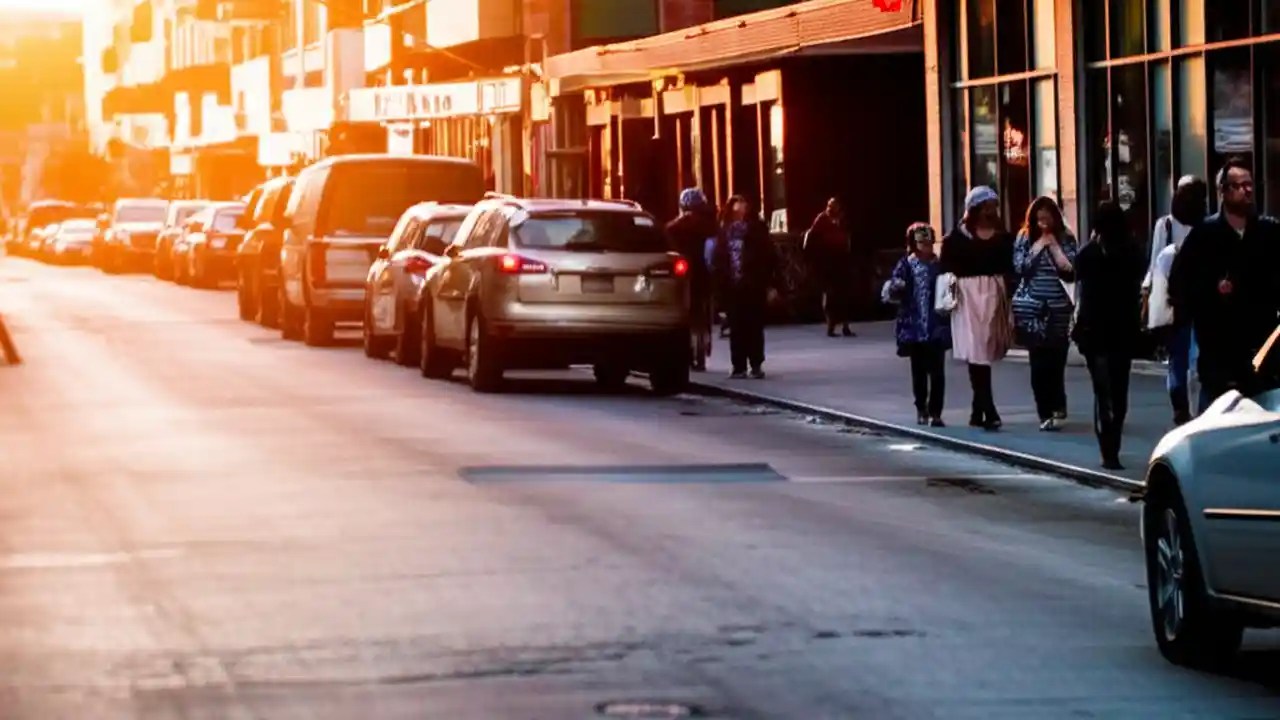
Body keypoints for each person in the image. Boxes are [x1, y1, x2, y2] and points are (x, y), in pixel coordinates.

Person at [1169, 157, 1280, 412]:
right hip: (1218, 355)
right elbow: (1180, 285)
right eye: (1238, 185)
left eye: (1250, 185)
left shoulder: (1268, 232)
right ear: (1223, 192)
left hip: (1263, 353)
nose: (1246, 191)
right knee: (1216, 425)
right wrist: (1209, 296)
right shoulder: (1204, 236)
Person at [1072, 202, 1145, 470]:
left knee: (1103, 391)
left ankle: (1108, 448)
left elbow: (1076, 272)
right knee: (1119, 387)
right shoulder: (1132, 252)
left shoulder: (1090, 254)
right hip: (1122, 329)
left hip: (1095, 329)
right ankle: (1113, 442)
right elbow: (1139, 273)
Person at [941, 186, 1015, 431]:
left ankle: (977, 408)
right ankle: (989, 408)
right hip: (967, 295)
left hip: (993, 293)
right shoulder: (957, 237)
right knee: (976, 350)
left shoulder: (1002, 237)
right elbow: (946, 267)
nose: (990, 211)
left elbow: (1009, 265)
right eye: (985, 207)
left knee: (986, 348)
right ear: (974, 209)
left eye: (993, 206)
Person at [1011, 196, 1078, 431]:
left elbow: (1070, 269)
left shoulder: (1066, 238)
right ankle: (1044, 411)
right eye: (1038, 220)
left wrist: (1054, 246)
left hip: (1058, 307)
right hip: (1032, 307)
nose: (1043, 224)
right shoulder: (1023, 237)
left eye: (1047, 219)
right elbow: (1020, 267)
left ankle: (1058, 404)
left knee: (1056, 360)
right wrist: (1039, 245)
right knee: (1038, 362)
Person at [1144, 176, 1207, 424]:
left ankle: (1184, 406)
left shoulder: (1204, 225)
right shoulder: (1167, 226)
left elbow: (1156, 263)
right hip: (1177, 300)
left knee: (1184, 357)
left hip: (1180, 299)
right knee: (1186, 357)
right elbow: (1156, 260)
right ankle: (1184, 406)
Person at [885, 222, 950, 426]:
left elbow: (948, 289)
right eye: (922, 242)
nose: (926, 246)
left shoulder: (938, 265)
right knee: (919, 372)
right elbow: (892, 289)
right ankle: (921, 408)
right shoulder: (906, 265)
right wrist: (898, 287)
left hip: (936, 325)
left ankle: (936, 411)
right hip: (914, 326)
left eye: (929, 241)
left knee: (937, 372)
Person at [712, 195, 777, 379]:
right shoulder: (725, 233)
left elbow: (768, 256)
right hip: (733, 286)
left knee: (754, 326)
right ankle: (738, 365)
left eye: (743, 205)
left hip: (753, 284)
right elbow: (719, 260)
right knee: (737, 327)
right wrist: (720, 285)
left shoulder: (757, 229)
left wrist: (770, 282)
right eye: (736, 205)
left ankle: (756, 364)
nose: (740, 209)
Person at [666, 188, 718, 371]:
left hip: (682, 276)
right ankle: (702, 350)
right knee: (702, 315)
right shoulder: (711, 227)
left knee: (686, 316)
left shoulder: (673, 228)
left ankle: (690, 352)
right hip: (704, 275)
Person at [804, 197, 856, 338]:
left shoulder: (842, 219)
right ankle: (831, 326)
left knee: (844, 294)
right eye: (830, 205)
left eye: (835, 206)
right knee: (830, 294)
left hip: (842, 259)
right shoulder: (822, 219)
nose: (832, 208)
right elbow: (811, 236)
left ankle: (845, 326)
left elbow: (848, 235)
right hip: (828, 260)